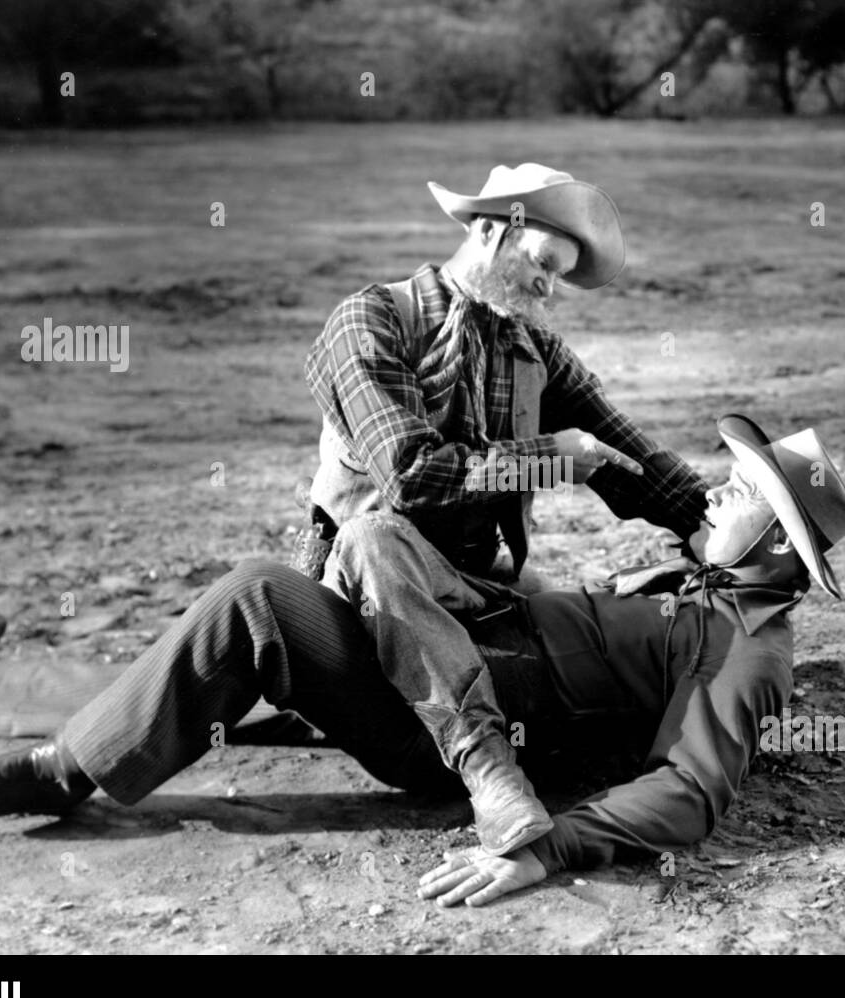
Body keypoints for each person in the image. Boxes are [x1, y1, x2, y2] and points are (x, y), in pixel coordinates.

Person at [0, 415, 845, 908]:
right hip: (462, 656)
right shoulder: (710, 594)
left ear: (776, 548)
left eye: (739, 492)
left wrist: (549, 850)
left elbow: (692, 793)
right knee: (333, 570)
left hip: (461, 722)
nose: (713, 491)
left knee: (260, 601)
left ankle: (50, 776)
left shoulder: (748, 649)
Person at [300, 162, 710, 855]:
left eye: (561, 278)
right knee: (376, 535)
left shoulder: (534, 347)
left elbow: (624, 450)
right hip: (360, 594)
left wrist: (716, 518)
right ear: (492, 231)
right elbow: (409, 477)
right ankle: (489, 771)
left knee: (588, 619)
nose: (550, 287)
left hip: (471, 586)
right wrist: (548, 455)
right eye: (545, 264)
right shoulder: (369, 319)